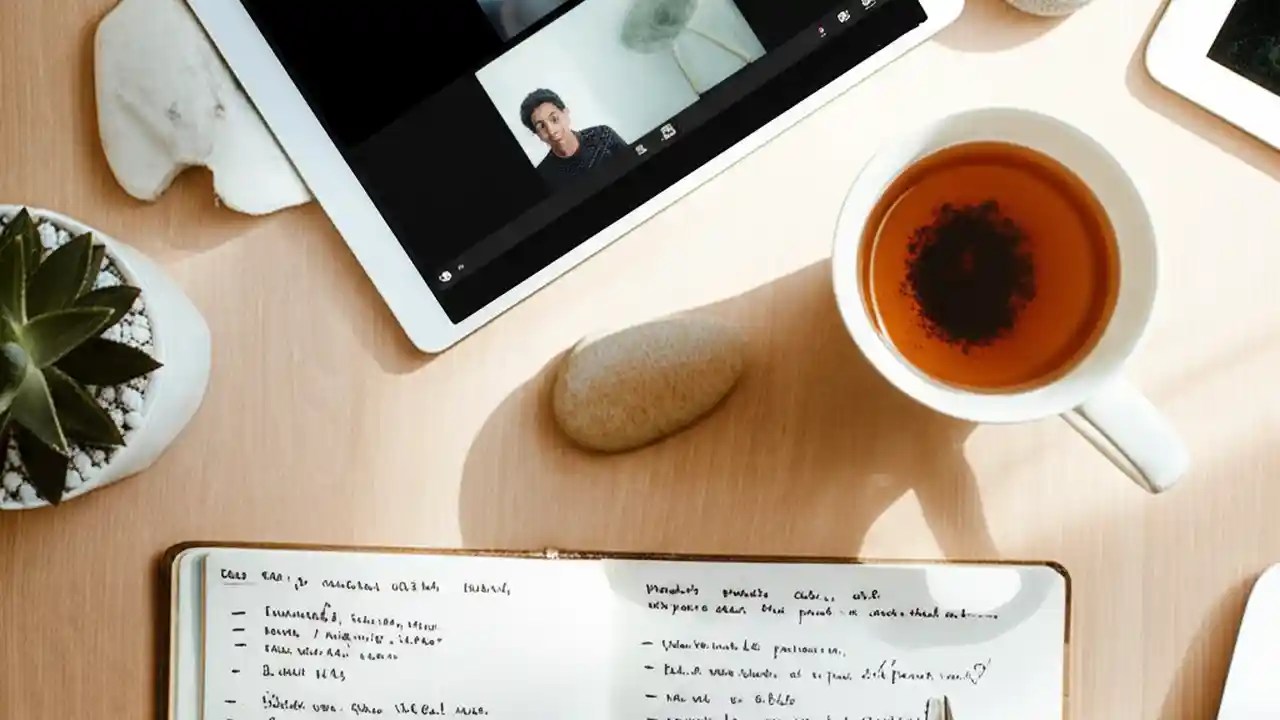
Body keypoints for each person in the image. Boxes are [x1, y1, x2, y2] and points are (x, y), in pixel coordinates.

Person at [519, 89, 629, 189]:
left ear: (566, 113)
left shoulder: (603, 135)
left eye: (554, 119)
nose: (552, 131)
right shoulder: (544, 176)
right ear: (537, 134)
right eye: (541, 127)